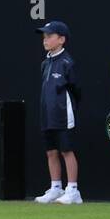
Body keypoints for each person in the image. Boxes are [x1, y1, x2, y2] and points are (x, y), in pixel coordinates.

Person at [32, 21, 82, 206]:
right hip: (47, 114)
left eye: (49, 36)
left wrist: (66, 108)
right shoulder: (45, 63)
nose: (45, 40)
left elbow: (77, 90)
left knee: (66, 151)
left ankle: (73, 191)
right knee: (51, 152)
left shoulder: (68, 63)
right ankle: (56, 188)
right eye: (44, 36)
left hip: (63, 114)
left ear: (61, 40)